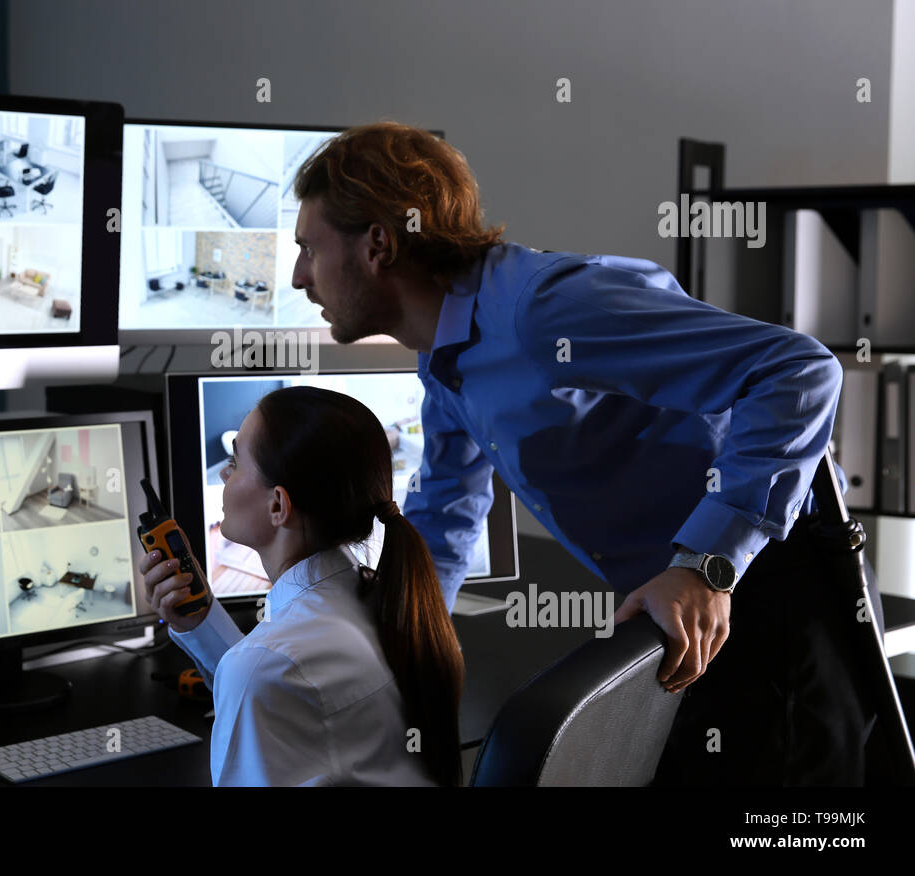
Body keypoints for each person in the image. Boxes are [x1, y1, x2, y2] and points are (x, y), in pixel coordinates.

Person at [285, 120, 881, 785]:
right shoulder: (444, 355)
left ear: (377, 245)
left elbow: (799, 370)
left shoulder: (543, 309)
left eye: (309, 247)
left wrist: (706, 564)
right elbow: (447, 513)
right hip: (681, 613)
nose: (297, 275)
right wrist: (389, 644)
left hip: (768, 595)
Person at [142, 385, 464, 786]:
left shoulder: (269, 664)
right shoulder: (384, 599)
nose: (225, 474)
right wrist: (200, 618)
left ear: (278, 506)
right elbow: (284, 677)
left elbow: (270, 672)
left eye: (235, 461)